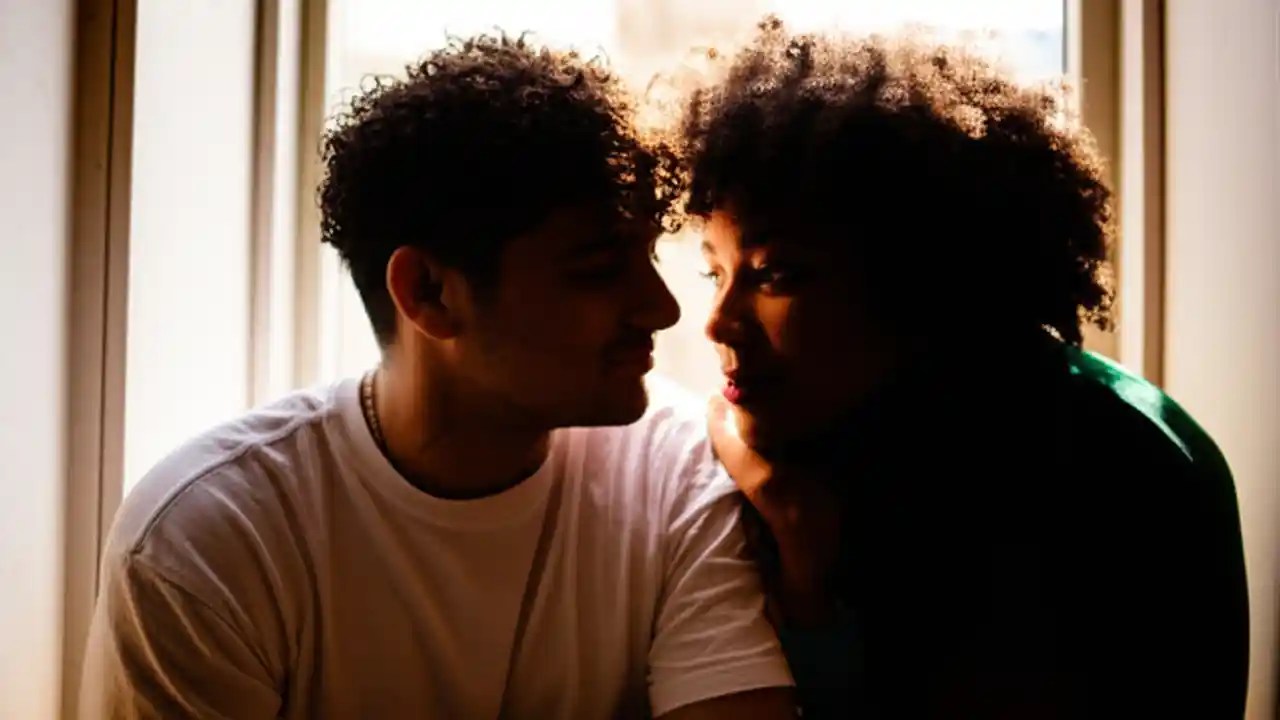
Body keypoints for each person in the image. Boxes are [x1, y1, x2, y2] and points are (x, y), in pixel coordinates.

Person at [80, 33, 797, 719]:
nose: (664, 308)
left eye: (650, 258)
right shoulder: (209, 538)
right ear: (428, 293)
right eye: (598, 270)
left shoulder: (676, 472)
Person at [679, 18, 1250, 719]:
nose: (717, 322)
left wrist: (807, 583)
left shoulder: (1108, 472)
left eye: (776, 275)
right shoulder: (854, 434)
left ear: (917, 275)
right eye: (715, 272)